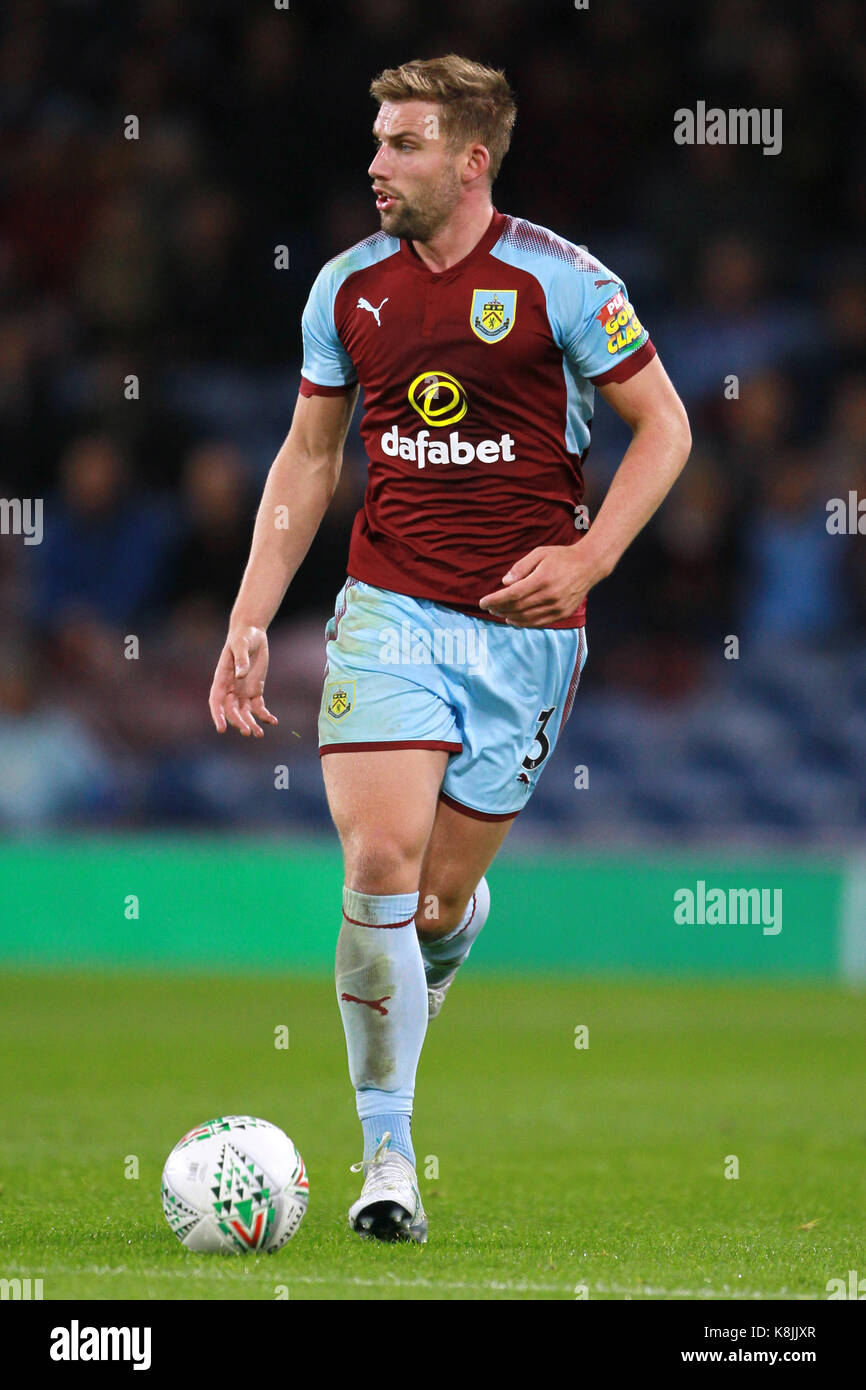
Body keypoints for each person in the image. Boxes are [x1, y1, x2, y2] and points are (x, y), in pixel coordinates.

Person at [209, 55, 691, 1244]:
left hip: (527, 632)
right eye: (376, 140)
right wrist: (250, 612)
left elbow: (665, 427)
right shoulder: (345, 288)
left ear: (471, 161)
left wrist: (588, 559)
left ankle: (449, 930)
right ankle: (387, 1154)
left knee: (430, 902)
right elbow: (310, 458)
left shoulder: (559, 281)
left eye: (405, 144)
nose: (376, 163)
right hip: (389, 608)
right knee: (377, 858)